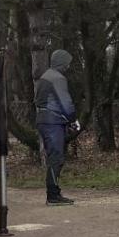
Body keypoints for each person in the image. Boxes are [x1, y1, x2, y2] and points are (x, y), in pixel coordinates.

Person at [34, 48, 77, 206]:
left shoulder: (45, 76)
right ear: (62, 63)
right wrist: (73, 119)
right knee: (56, 157)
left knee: (53, 156)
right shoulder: (58, 78)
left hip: (43, 120)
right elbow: (65, 102)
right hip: (53, 122)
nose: (68, 66)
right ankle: (53, 195)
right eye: (67, 63)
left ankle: (54, 193)